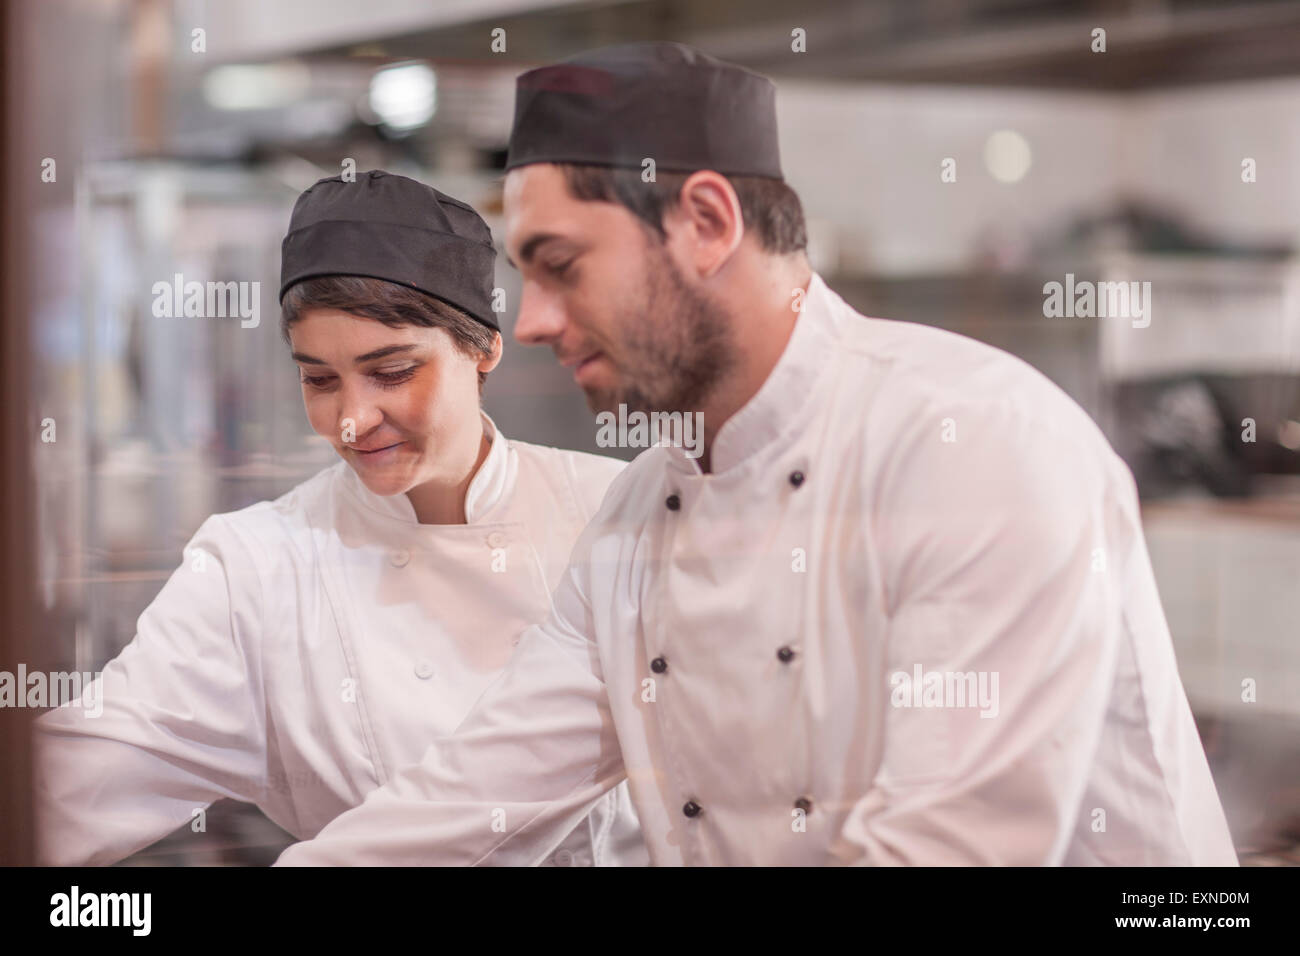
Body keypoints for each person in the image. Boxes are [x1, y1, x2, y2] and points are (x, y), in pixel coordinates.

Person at [277, 44, 1238, 866]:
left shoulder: (975, 448)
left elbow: (946, 847)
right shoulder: (635, 520)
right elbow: (466, 795)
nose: (533, 323)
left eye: (561, 266)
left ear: (705, 223)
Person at [34, 170, 647, 867]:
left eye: (392, 372)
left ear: (483, 348)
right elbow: (70, 784)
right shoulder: (256, 570)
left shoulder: (616, 510)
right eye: (319, 380)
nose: (352, 420)